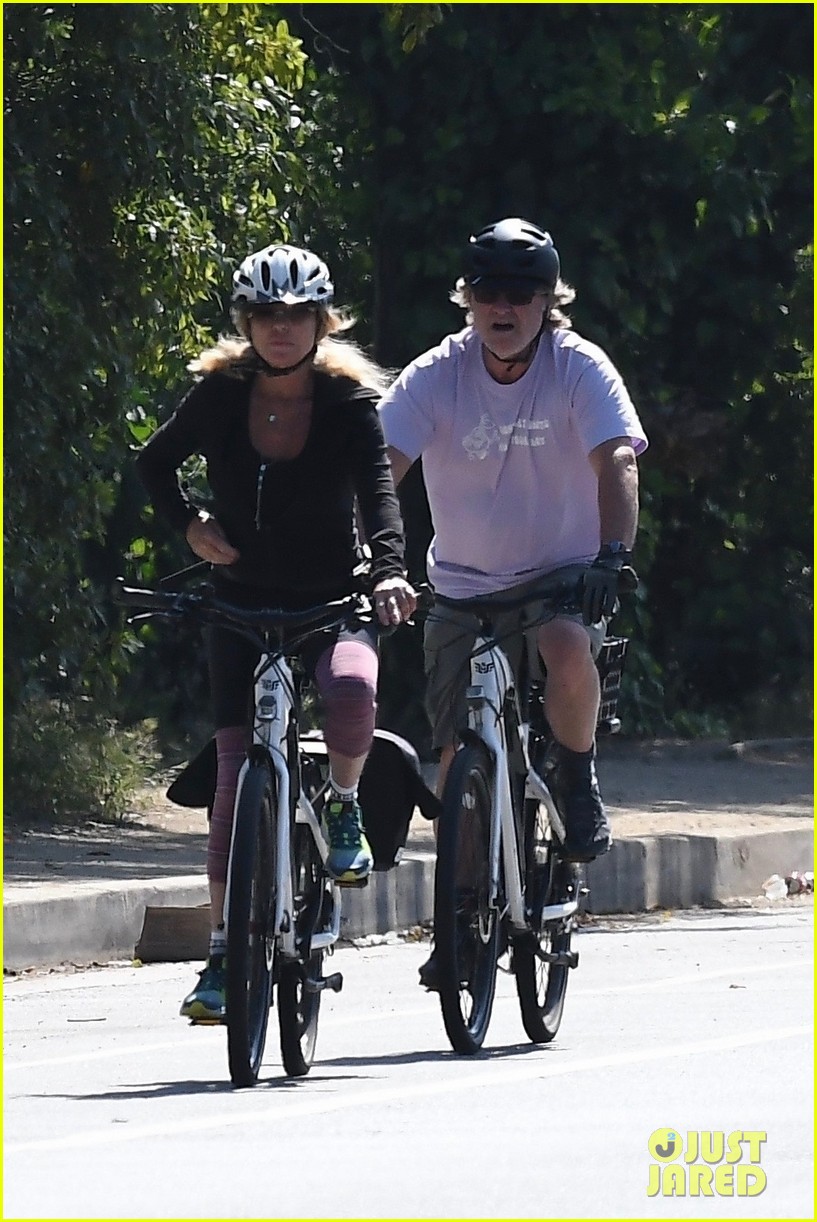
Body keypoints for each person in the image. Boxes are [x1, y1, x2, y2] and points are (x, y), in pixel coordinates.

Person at [136, 242, 416, 1021]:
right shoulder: (219, 395)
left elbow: (378, 496)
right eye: (266, 314)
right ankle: (223, 957)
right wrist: (188, 525)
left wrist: (390, 569)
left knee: (353, 687)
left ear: (323, 323)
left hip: (334, 597)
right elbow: (153, 465)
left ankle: (345, 803)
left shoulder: (350, 405)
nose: (281, 328)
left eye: (297, 315)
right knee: (232, 781)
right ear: (246, 321)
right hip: (239, 603)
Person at [378, 217, 648, 988]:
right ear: (467, 299)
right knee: (457, 759)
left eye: (521, 294)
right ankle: (461, 919)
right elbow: (381, 468)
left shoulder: (576, 367)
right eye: (488, 292)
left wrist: (611, 556)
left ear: (546, 302)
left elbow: (616, 461)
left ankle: (575, 770)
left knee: (567, 648)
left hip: (561, 576)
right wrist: (372, 553)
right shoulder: (436, 373)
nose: (503, 307)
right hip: (461, 585)